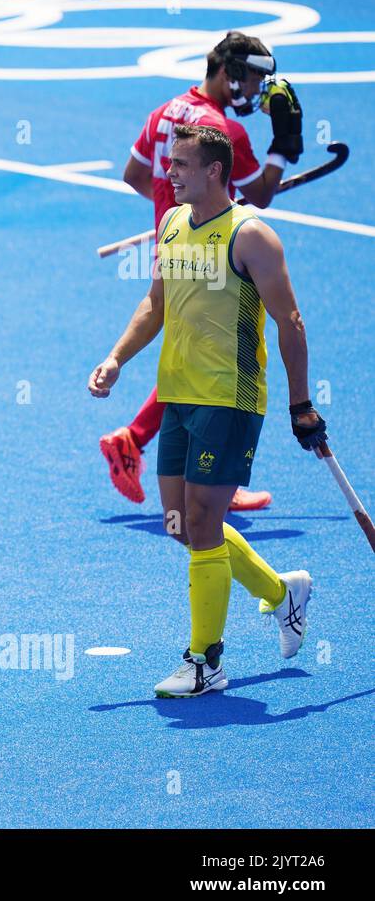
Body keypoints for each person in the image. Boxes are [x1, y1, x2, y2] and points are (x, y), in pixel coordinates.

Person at [89, 125, 321, 697]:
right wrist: (117, 358)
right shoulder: (171, 224)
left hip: (230, 396)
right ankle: (279, 592)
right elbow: (156, 303)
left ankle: (205, 660)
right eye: (170, 164)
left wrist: (301, 403)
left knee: (202, 521)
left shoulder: (252, 237)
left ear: (215, 171)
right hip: (178, 395)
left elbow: (289, 321)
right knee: (183, 526)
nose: (170, 173)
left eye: (183, 165)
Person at [100, 31, 303, 512]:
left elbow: (134, 175)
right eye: (253, 79)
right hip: (212, 253)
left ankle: (148, 444)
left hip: (175, 241)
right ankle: (210, 474)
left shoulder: (164, 111)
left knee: (190, 352)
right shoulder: (223, 134)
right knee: (214, 354)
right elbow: (263, 194)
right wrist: (283, 144)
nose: (256, 90)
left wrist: (175, 211)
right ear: (230, 72)